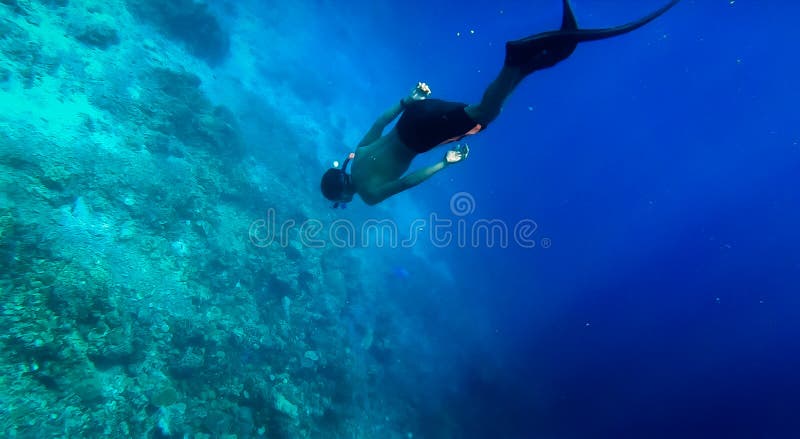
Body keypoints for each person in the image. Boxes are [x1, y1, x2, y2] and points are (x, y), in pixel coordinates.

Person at [321, 0, 680, 207]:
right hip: (414, 116)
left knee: (484, 115)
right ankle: (547, 54)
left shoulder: (367, 194)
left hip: (421, 136)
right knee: (491, 103)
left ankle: (515, 57)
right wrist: (407, 99)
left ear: (343, 192)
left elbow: (406, 183)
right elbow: (379, 123)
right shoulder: (356, 151)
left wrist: (444, 165)